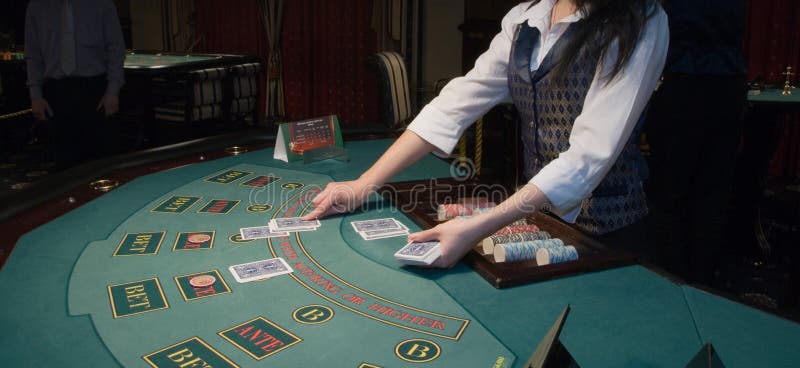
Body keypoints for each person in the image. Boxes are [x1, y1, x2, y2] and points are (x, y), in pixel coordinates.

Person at [304, 0, 668, 268]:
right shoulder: (525, 19)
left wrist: (476, 227)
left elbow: (588, 156)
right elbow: (454, 105)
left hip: (610, 235)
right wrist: (363, 185)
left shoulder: (643, 21)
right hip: (538, 222)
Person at [645, 0, 747, 285]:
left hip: (684, 84)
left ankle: (675, 281)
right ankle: (703, 280)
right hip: (729, 85)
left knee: (671, 194)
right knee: (713, 193)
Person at [25, 0, 125, 169]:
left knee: (102, 161)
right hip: (57, 92)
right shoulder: (37, 6)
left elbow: (116, 49)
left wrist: (113, 91)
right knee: (65, 163)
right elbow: (33, 54)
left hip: (95, 89)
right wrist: (36, 95)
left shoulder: (102, 4)